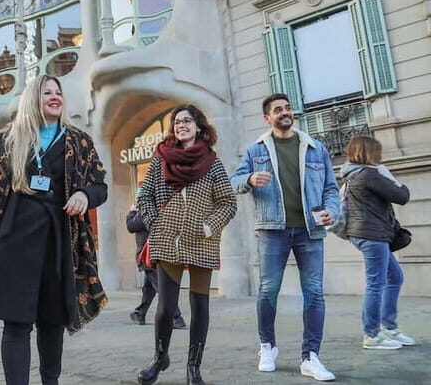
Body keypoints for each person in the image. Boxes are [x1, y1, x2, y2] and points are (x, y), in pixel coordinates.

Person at [0, 70, 108, 385]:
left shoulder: (79, 140)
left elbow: (100, 185)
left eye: (57, 91)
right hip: (13, 243)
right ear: (34, 99)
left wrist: (85, 194)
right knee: (16, 324)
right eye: (47, 92)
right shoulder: (13, 138)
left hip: (59, 243)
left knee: (52, 321)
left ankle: (50, 381)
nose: (54, 96)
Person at [230, 93, 339, 382]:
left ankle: (310, 357)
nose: (285, 112)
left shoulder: (315, 147)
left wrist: (331, 210)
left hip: (310, 229)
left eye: (287, 108)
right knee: (268, 290)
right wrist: (250, 180)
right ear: (268, 118)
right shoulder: (256, 150)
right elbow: (234, 181)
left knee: (314, 292)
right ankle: (267, 346)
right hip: (272, 229)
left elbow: (331, 187)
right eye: (278, 110)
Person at [135, 104, 237, 385]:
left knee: (199, 305)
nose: (181, 125)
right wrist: (156, 224)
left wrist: (209, 226)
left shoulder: (212, 162)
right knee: (166, 307)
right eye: (177, 121)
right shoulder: (160, 159)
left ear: (199, 126)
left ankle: (194, 367)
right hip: (167, 242)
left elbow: (228, 202)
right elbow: (144, 197)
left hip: (202, 243)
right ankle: (159, 358)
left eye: (187, 121)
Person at [341, 136, 416, 350]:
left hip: (366, 234)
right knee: (376, 284)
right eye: (377, 152)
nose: (380, 156)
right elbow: (402, 195)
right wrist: (389, 175)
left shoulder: (352, 175)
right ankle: (372, 335)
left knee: (394, 277)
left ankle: (389, 327)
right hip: (372, 235)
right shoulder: (369, 175)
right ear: (369, 152)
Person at [126, 205, 186, 329]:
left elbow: (131, 226)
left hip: (148, 255)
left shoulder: (147, 209)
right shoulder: (164, 207)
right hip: (159, 253)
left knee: (161, 287)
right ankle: (140, 313)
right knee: (149, 287)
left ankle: (176, 317)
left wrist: (132, 212)